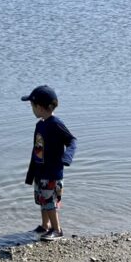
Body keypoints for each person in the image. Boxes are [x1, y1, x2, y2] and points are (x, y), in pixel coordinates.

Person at [22, 85, 77, 241]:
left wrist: (67, 158)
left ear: (39, 107)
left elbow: (72, 140)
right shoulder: (40, 125)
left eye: (32, 106)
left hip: (52, 173)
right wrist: (31, 174)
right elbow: (36, 150)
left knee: (49, 202)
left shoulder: (55, 124)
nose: (31, 109)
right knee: (42, 199)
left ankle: (57, 230)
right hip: (40, 172)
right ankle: (45, 226)